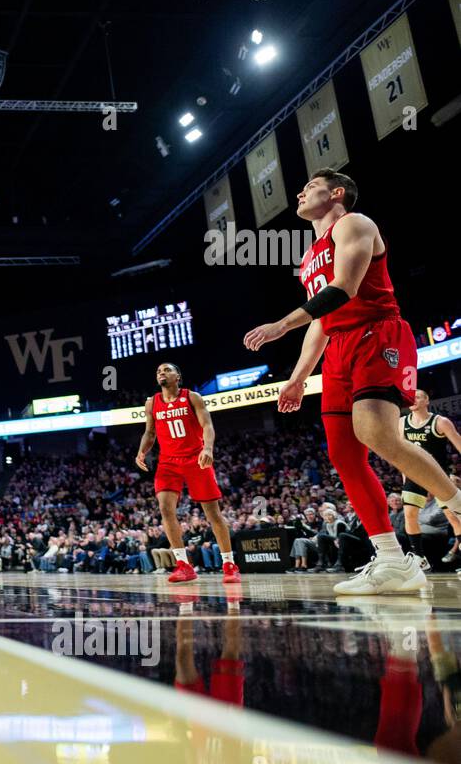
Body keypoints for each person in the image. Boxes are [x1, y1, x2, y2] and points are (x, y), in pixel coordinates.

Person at [246, 169, 461, 595]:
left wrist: (281, 325)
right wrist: (297, 378)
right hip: (340, 347)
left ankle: (455, 503)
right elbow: (323, 322)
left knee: (373, 431)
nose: (300, 192)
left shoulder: (355, 224)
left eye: (310, 186)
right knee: (344, 454)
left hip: (378, 333)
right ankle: (392, 561)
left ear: (337, 192)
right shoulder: (309, 257)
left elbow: (343, 289)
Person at [135, 363, 241, 585]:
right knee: (165, 508)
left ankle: (229, 564)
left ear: (178, 376)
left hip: (195, 457)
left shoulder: (192, 397)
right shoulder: (151, 402)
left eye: (166, 370)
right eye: (158, 371)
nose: (161, 373)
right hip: (168, 461)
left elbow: (207, 425)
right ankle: (183, 565)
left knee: (212, 514)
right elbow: (150, 432)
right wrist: (141, 452)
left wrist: (208, 448)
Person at [400, 389, 461, 565]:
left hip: (438, 474)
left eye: (418, 397)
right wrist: (404, 475)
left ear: (427, 401)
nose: (414, 399)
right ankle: (419, 558)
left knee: (453, 517)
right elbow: (401, 454)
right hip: (414, 473)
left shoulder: (440, 422)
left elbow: (458, 443)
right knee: (409, 514)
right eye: (412, 397)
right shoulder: (401, 423)